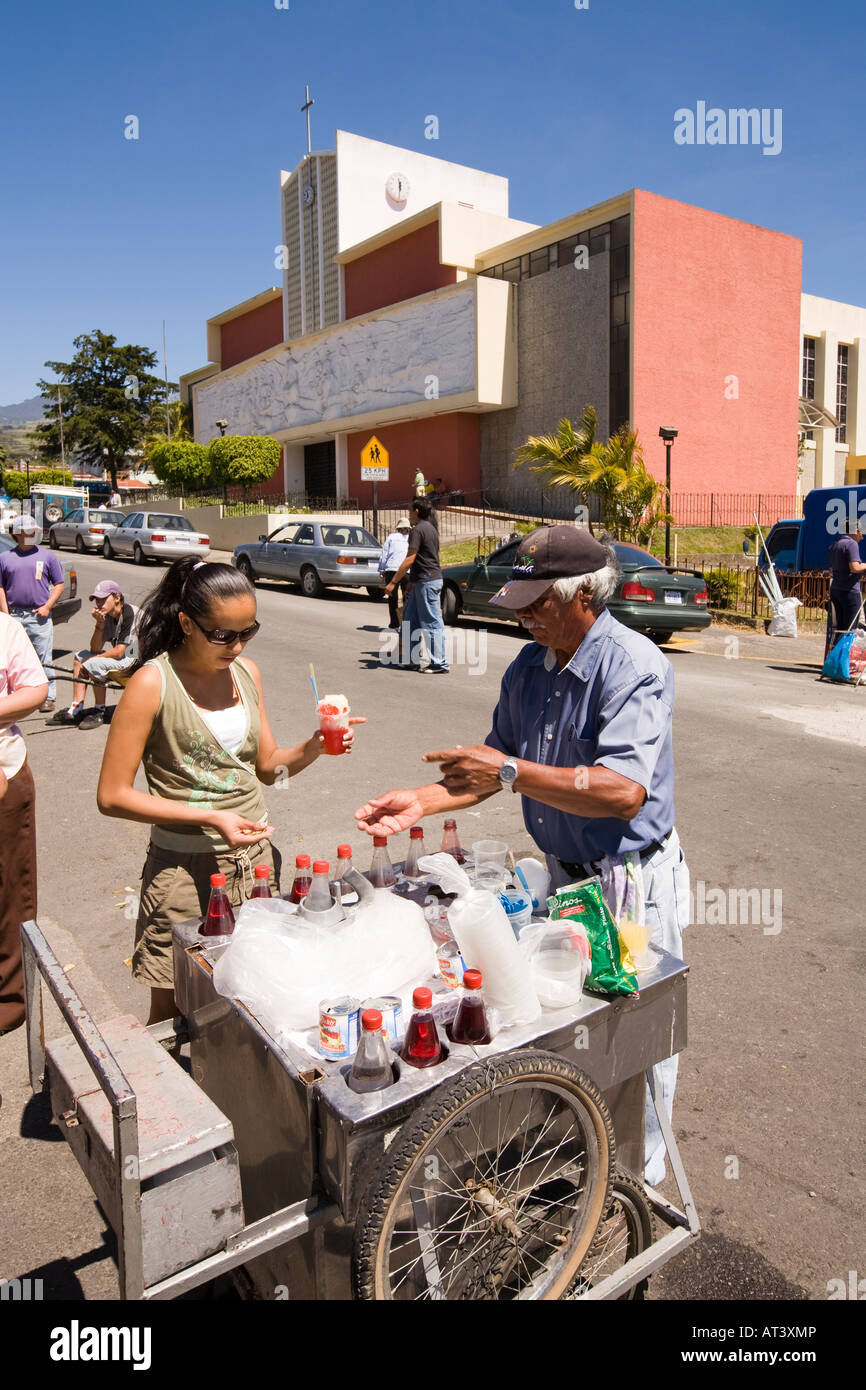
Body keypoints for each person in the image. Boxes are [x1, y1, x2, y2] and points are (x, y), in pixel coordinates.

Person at [357, 525, 689, 1187]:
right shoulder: (529, 667)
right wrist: (423, 800)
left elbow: (622, 791)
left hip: (627, 882)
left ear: (583, 598)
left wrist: (508, 770)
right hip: (564, 881)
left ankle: (643, 1176)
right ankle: (579, 1158)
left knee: (638, 1037)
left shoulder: (634, 667)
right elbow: (488, 770)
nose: (523, 615)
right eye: (520, 602)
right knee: (568, 1020)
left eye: (538, 604)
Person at [96, 557, 364, 1026]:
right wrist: (210, 816)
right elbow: (112, 795)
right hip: (183, 870)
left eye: (248, 632)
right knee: (176, 1000)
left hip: (254, 864)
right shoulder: (151, 684)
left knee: (251, 993)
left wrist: (317, 745)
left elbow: (267, 768)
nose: (236, 646)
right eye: (223, 634)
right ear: (186, 622)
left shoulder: (246, 674)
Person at [0, 610, 49, 1039]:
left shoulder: (5, 629)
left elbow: (35, 690)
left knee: (11, 888)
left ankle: (9, 1001)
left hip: (5, 770)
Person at [0, 513, 64, 712]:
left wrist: (47, 606)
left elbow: (59, 584)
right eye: (28, 531)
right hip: (14, 615)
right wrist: (6, 614)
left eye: (34, 531)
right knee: (11, 657)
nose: (32, 534)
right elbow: (0, 587)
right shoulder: (5, 558)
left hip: (39, 616)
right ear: (17, 534)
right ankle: (14, 696)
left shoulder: (47, 556)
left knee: (44, 658)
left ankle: (48, 697)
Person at [53, 580, 138, 728]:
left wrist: (92, 661)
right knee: (80, 657)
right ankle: (76, 708)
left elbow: (120, 652)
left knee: (92, 662)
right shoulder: (109, 616)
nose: (99, 603)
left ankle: (99, 710)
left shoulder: (130, 614)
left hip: (137, 662)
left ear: (117, 598)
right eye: (97, 600)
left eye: (103, 599)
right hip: (123, 658)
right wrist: (99, 625)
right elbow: (95, 648)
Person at [384, 497, 449, 673]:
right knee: (409, 621)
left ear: (417, 511)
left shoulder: (419, 530)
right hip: (421, 581)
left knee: (431, 623)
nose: (409, 514)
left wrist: (393, 582)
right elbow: (424, 557)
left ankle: (439, 663)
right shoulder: (431, 529)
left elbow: (411, 559)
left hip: (427, 582)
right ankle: (411, 660)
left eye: (410, 510)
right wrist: (412, 582)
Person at [827, 519, 866, 652]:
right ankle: (840, 660)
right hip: (850, 591)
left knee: (841, 627)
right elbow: (854, 567)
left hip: (836, 589)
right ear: (854, 531)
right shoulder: (851, 544)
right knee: (849, 629)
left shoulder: (835, 545)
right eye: (861, 532)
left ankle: (834, 658)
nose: (862, 536)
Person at [378, 517, 411, 630]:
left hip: (391, 569)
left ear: (398, 528)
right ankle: (406, 622)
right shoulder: (411, 538)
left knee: (392, 598)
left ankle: (394, 623)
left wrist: (381, 570)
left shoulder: (391, 537)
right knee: (407, 598)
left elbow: (384, 554)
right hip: (406, 570)